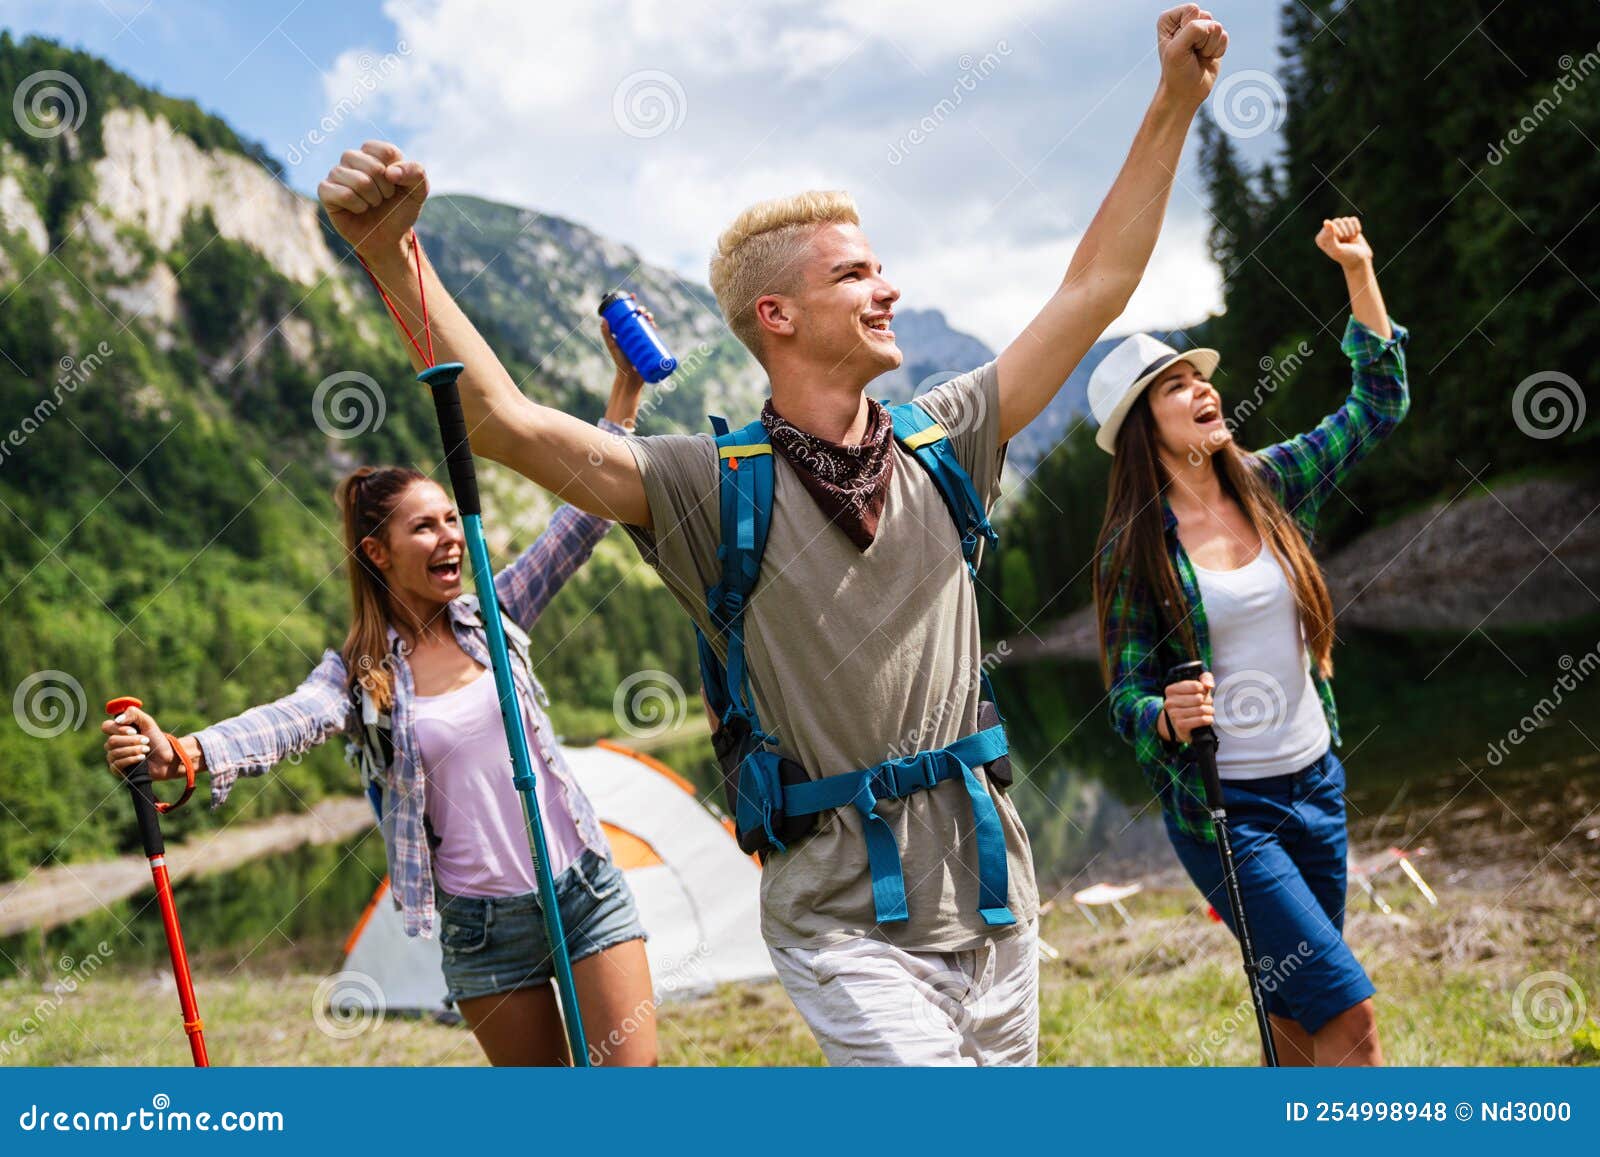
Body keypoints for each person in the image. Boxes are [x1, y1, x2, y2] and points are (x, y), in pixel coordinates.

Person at [316, 5, 1229, 1065]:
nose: (887, 286)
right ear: (776, 317)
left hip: (994, 895)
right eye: (853, 273)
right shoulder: (705, 484)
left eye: (879, 268)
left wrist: (1171, 103)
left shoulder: (949, 432)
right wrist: (394, 257)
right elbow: (503, 422)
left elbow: (1092, 287)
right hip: (843, 918)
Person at [101, 338, 658, 1067]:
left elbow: (580, 523)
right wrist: (185, 752)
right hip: (484, 929)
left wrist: (623, 394)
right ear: (378, 552)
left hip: (583, 886)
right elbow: (286, 721)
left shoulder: (496, 613)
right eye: (423, 526)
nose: (449, 535)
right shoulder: (357, 677)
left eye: (451, 519)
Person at [1090, 216, 1407, 1066]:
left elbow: (1380, 403)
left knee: (1297, 1021)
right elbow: (1122, 696)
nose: (1201, 390)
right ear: (1142, 431)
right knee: (1351, 1018)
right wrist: (1163, 710)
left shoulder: (1269, 483)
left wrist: (1360, 271)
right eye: (1173, 387)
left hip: (1317, 783)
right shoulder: (1135, 549)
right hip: (1229, 813)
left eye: (1198, 376)